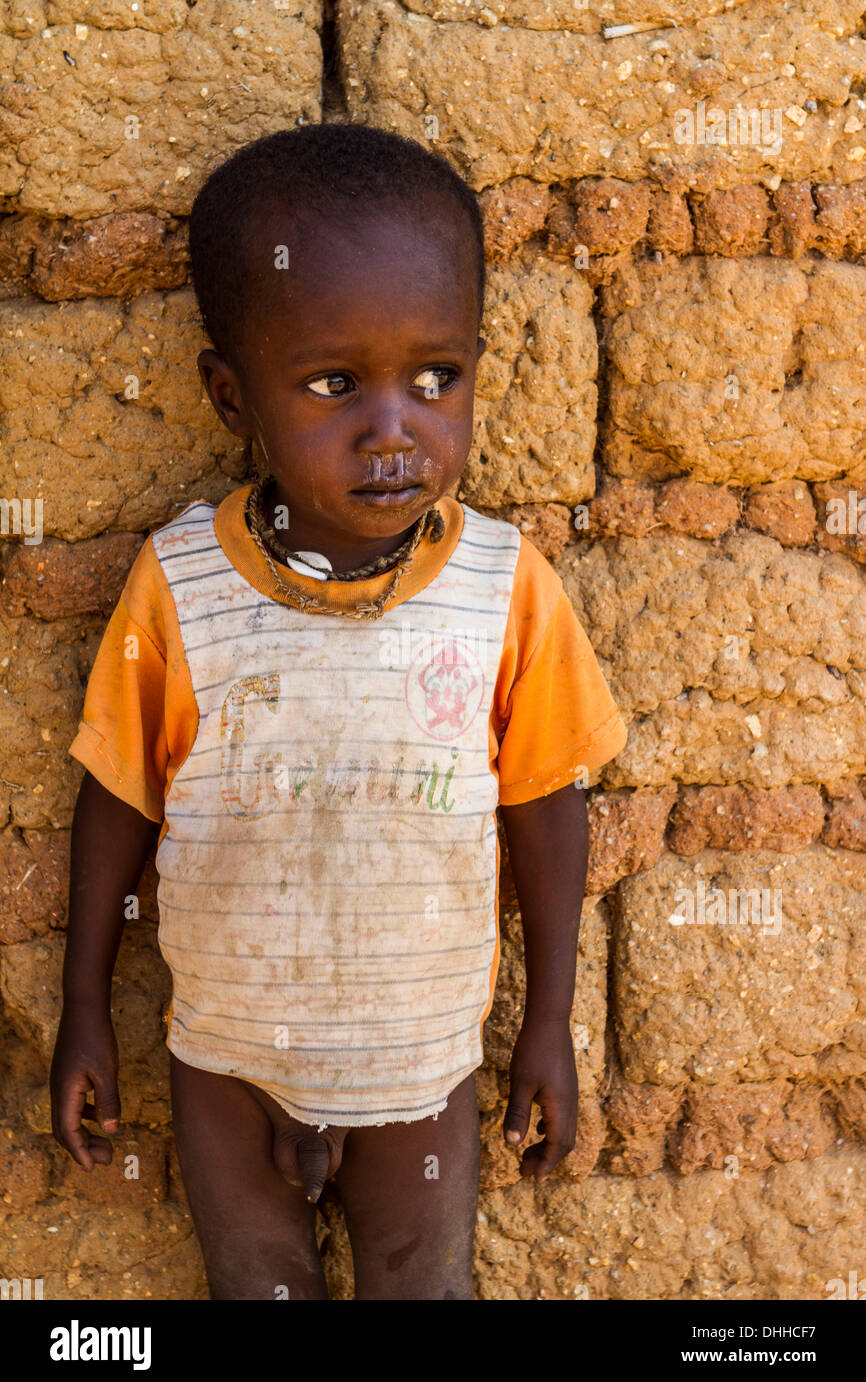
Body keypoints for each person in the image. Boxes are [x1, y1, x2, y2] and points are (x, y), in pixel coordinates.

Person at [50, 123, 628, 1300]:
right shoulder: (180, 587)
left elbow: (546, 805)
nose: (393, 429)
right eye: (331, 383)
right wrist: (84, 1014)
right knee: (256, 1284)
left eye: (436, 378)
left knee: (426, 1284)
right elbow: (115, 802)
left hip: (418, 1066)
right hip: (225, 1064)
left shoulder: (501, 586)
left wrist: (551, 1024)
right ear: (229, 393)